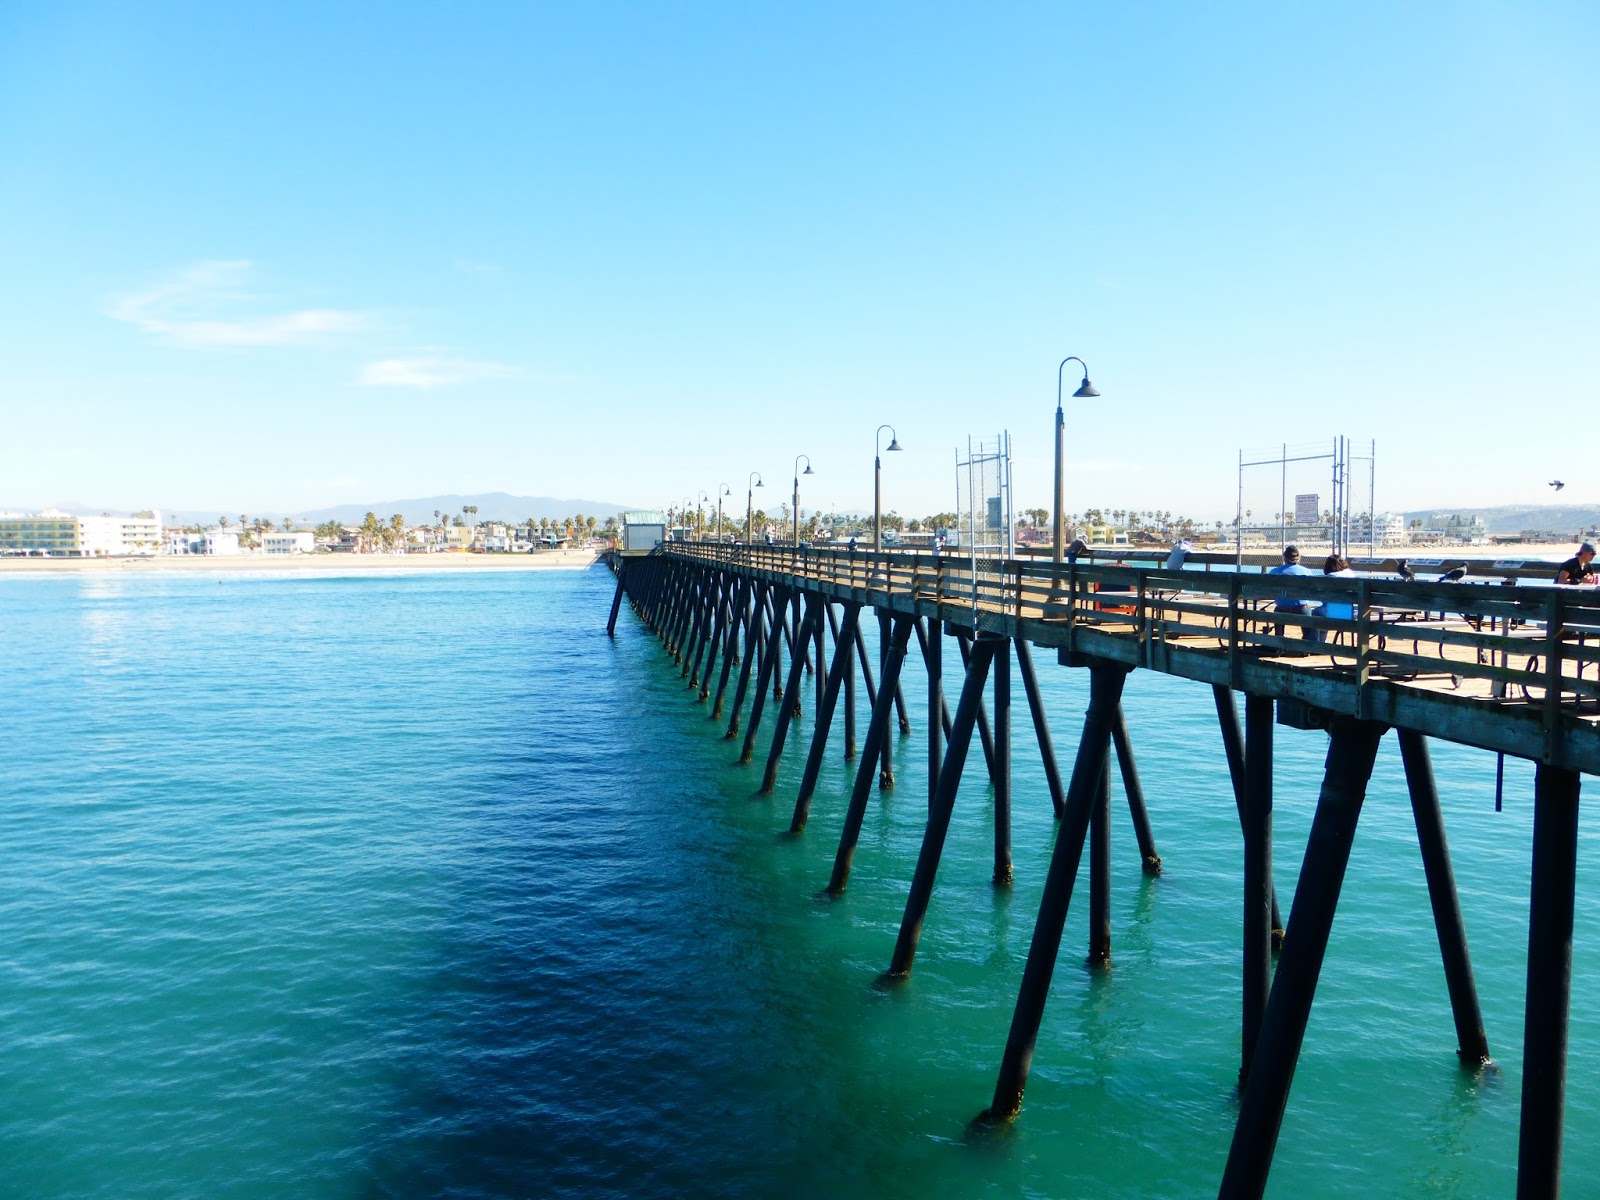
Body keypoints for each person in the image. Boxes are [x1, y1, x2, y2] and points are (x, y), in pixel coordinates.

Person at [1268, 545, 1319, 639]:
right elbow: (1312, 590)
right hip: (1301, 608)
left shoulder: (1275, 571)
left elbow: (1269, 589)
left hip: (1281, 608)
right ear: (1298, 558)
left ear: (1284, 557)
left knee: (1277, 611)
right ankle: (1306, 646)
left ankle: (1279, 641)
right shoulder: (1307, 571)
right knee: (1309, 615)